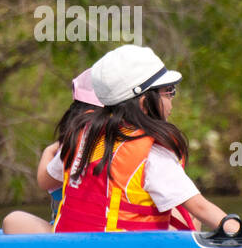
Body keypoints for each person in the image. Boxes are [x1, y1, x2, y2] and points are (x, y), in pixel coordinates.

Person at [50, 45, 231, 233]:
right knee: (189, 216)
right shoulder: (153, 155)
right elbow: (201, 208)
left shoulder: (83, 135)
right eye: (168, 91)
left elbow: (52, 177)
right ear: (145, 102)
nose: (172, 99)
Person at [2, 69, 101, 235]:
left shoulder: (75, 143)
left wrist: (48, 152)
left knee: (12, 220)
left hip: (70, 236)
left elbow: (44, 181)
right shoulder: (125, 145)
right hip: (105, 232)